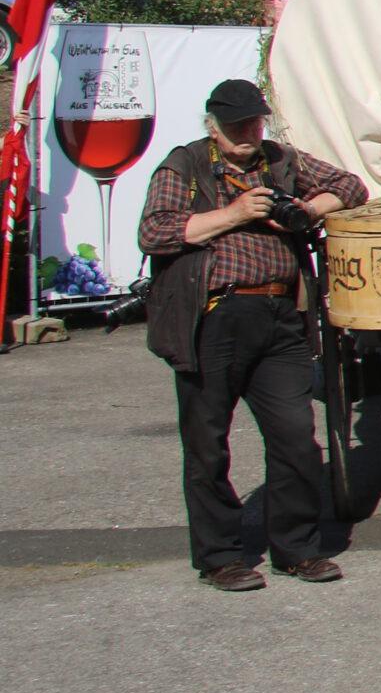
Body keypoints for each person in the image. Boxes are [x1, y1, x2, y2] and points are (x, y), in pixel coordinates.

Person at [137, 79, 367, 590]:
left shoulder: (280, 159)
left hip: (280, 316)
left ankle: (297, 550)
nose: (248, 131)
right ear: (212, 125)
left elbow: (353, 186)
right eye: (237, 123)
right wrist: (234, 214)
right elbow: (154, 232)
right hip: (212, 316)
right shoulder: (187, 165)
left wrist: (307, 209)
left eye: (254, 120)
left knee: (296, 440)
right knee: (208, 446)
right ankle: (220, 558)